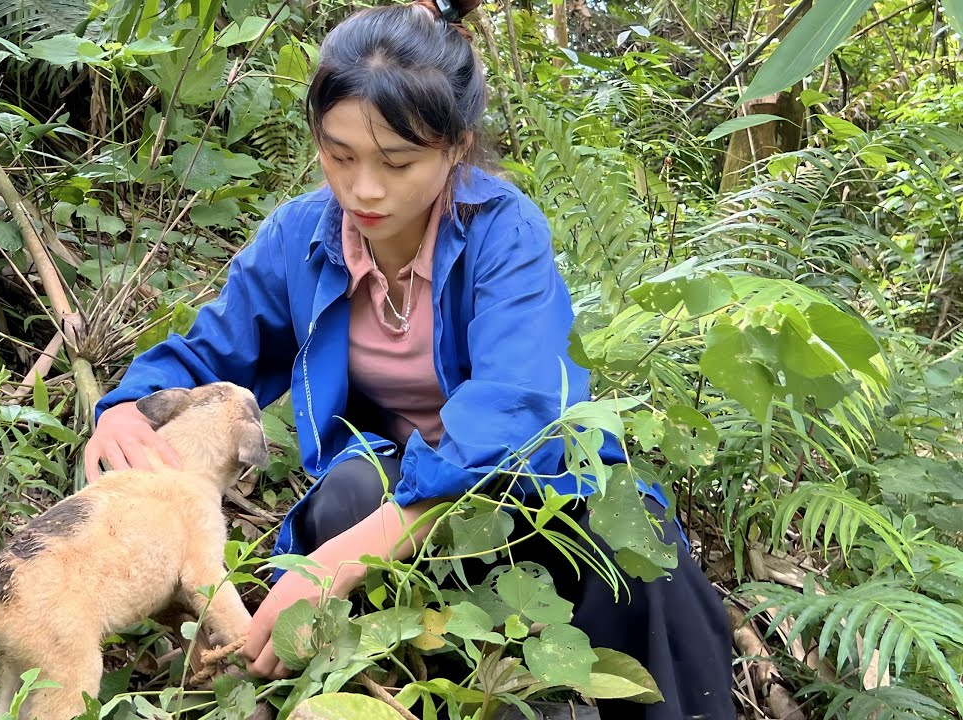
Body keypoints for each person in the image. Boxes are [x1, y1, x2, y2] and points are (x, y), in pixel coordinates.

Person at [83, 1, 735, 717]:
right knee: (348, 493)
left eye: (397, 161)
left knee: (636, 550)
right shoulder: (303, 238)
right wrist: (121, 408)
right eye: (339, 155)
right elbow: (211, 350)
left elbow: (515, 417)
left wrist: (343, 561)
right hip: (392, 491)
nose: (363, 189)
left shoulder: (501, 231)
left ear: (455, 146)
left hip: (533, 496)